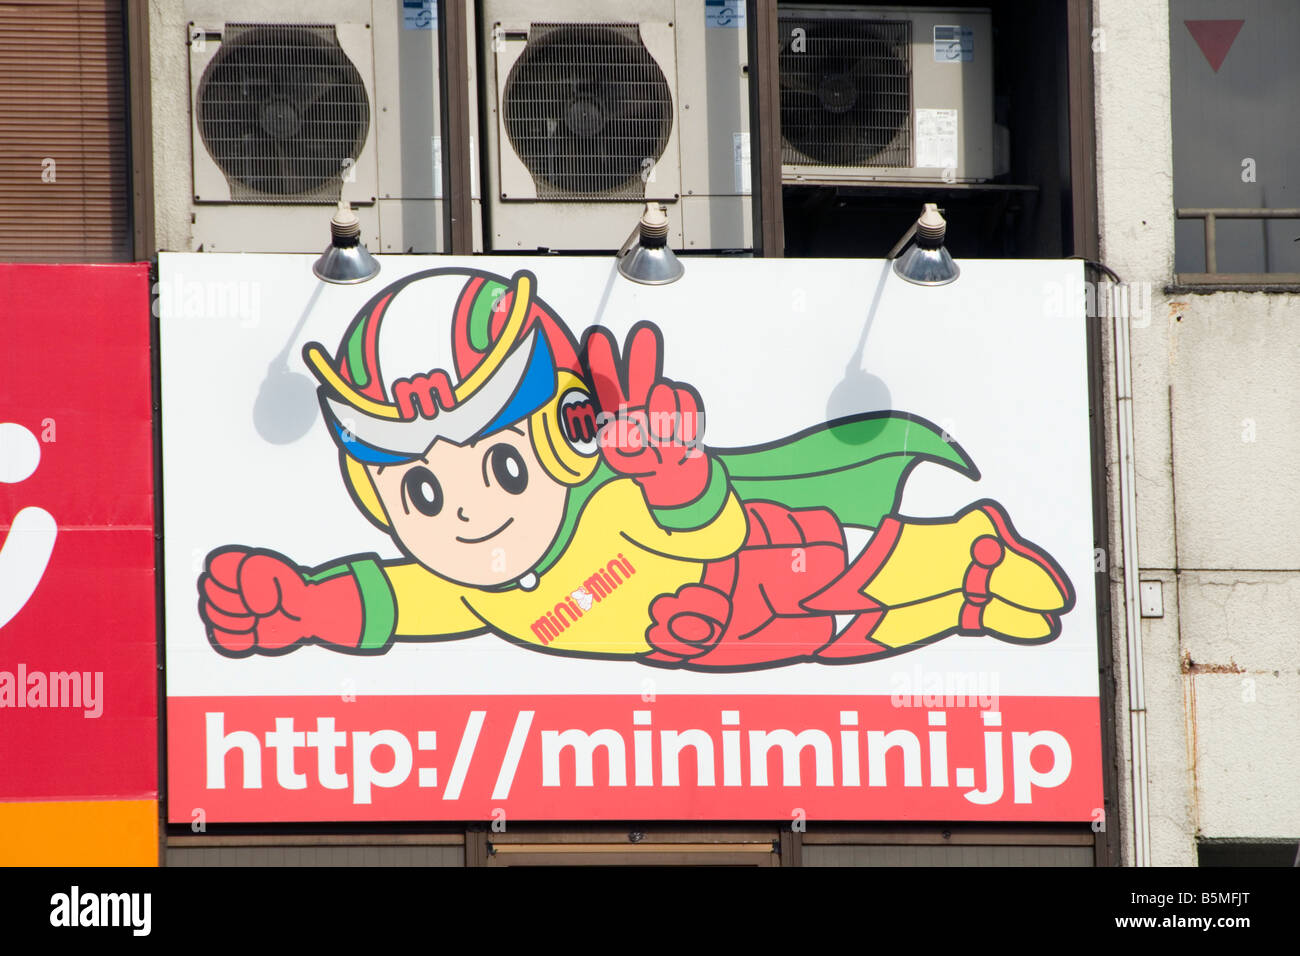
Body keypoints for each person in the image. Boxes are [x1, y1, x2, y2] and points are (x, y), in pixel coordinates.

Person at [198, 268, 1073, 671]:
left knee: (850, 597)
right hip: (729, 641)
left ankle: (965, 553)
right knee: (851, 639)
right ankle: (965, 592)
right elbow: (400, 598)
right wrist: (310, 605)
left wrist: (675, 480)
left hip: (777, 566)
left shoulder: (608, 507)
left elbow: (714, 528)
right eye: (420, 493)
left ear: (557, 437)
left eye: (501, 466)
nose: (463, 516)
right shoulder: (473, 585)